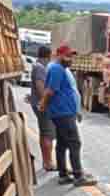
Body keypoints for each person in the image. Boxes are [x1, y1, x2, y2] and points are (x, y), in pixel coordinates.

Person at [39, 44, 94, 186]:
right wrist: (43, 105)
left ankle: (63, 174)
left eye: (71, 56)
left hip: (63, 112)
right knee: (75, 143)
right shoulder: (57, 69)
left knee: (62, 143)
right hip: (63, 113)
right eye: (68, 56)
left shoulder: (60, 69)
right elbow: (50, 91)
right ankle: (78, 176)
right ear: (59, 56)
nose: (71, 59)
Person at [27, 46, 56, 171]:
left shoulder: (38, 66)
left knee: (44, 133)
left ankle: (46, 161)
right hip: (43, 106)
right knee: (48, 134)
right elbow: (40, 87)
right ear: (48, 56)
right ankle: (48, 162)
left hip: (41, 105)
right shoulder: (39, 68)